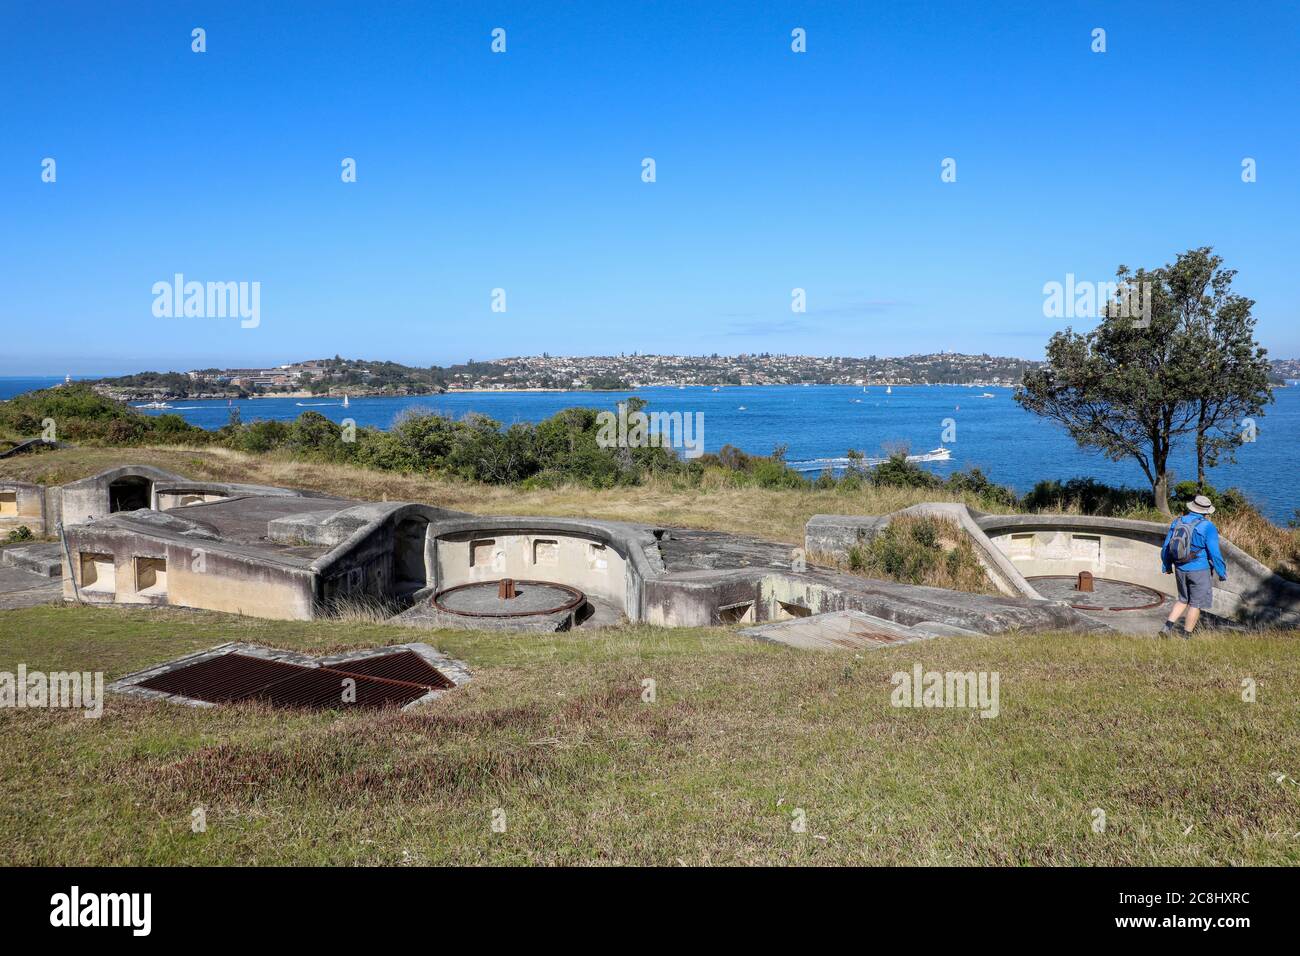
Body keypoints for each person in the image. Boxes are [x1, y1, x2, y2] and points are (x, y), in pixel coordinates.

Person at [1160, 494, 1227, 637]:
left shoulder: (1177, 521)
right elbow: (1215, 553)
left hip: (1180, 567)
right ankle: (1186, 637)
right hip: (1199, 570)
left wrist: (1166, 566)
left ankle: (1166, 629)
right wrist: (1221, 572)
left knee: (1182, 599)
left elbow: (1166, 546)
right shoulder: (1207, 526)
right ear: (1206, 511)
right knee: (1195, 604)